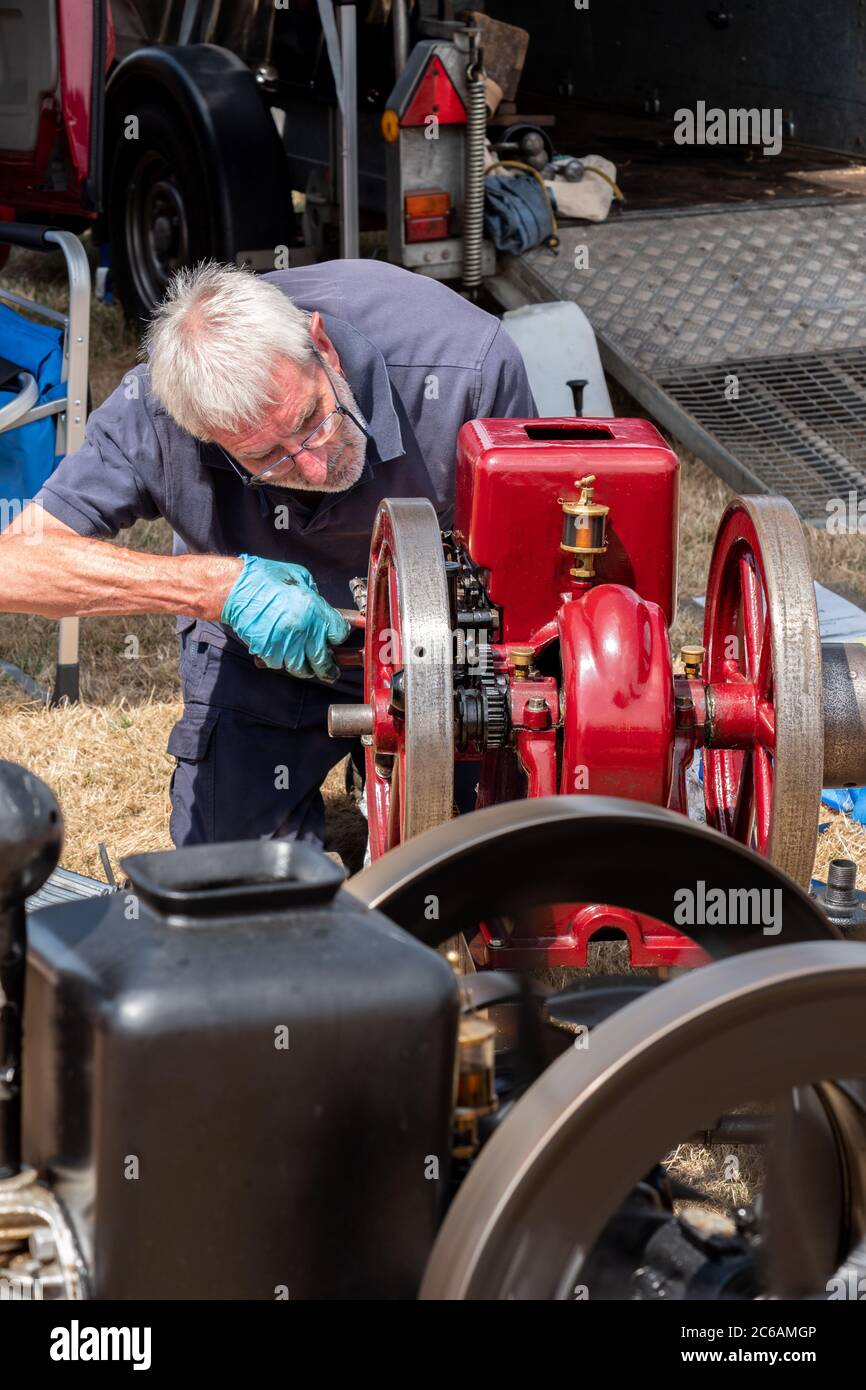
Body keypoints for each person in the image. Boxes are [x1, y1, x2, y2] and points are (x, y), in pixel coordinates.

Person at [0, 258, 536, 847]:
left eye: (311, 419)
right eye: (265, 457)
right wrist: (219, 589)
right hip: (263, 653)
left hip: (448, 650)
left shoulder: (467, 367)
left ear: (322, 349)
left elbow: (530, 575)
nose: (312, 462)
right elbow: (17, 563)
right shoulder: (156, 411)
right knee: (232, 886)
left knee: (494, 854)